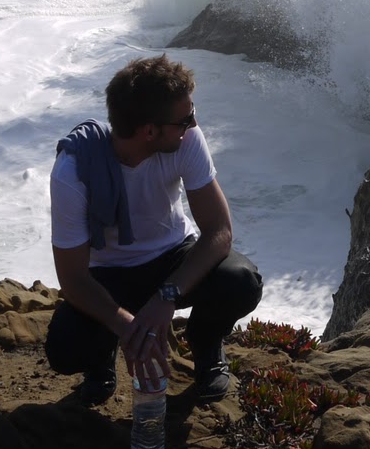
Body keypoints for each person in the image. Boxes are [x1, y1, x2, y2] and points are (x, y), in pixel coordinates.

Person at [45, 55, 263, 405]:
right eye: (185, 119)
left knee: (240, 282)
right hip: (109, 274)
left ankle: (206, 344)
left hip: (172, 256)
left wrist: (166, 297)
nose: (193, 124)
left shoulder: (186, 140)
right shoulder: (73, 172)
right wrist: (127, 327)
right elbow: (73, 279)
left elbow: (219, 231)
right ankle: (101, 359)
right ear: (149, 131)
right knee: (65, 346)